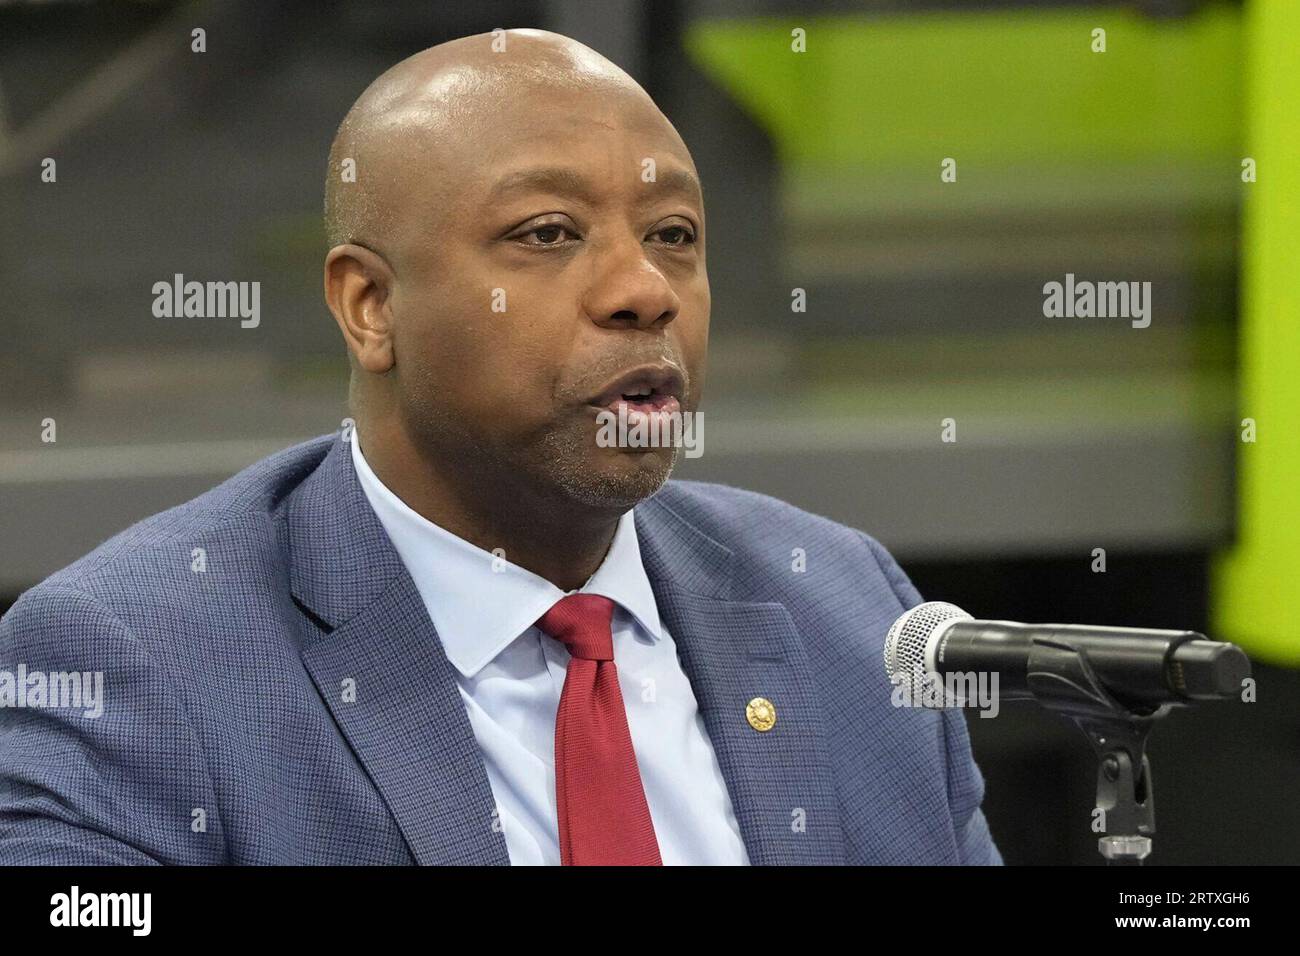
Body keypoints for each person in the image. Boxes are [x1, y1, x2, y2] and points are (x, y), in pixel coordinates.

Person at [0, 29, 1001, 865]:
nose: (642, 289)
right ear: (370, 304)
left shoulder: (843, 601)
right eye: (549, 233)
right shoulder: (137, 663)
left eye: (675, 235)